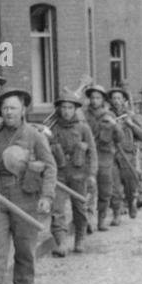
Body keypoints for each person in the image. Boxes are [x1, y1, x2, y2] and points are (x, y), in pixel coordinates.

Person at [0, 82, 56, 284]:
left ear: (23, 110)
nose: (9, 112)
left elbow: (50, 167)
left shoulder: (34, 135)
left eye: (13, 108)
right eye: (5, 108)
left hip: (25, 194)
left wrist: (47, 196)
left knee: (25, 244)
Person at [47, 86, 95, 255]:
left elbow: (92, 153)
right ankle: (61, 242)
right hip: (59, 174)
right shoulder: (52, 128)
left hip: (79, 173)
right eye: (63, 108)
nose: (66, 111)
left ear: (75, 109)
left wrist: (91, 175)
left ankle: (80, 238)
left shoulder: (83, 128)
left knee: (79, 207)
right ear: (59, 109)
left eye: (70, 108)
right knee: (57, 209)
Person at [83, 83, 122, 228]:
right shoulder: (83, 115)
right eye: (92, 98)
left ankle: (102, 218)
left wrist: (115, 125)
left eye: (98, 98)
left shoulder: (109, 115)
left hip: (105, 157)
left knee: (106, 190)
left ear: (103, 100)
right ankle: (87, 219)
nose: (94, 101)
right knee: (89, 189)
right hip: (88, 157)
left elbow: (119, 138)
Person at [109, 86, 142, 217]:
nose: (116, 101)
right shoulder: (107, 115)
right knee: (114, 186)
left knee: (132, 182)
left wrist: (131, 124)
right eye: (113, 98)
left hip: (129, 153)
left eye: (119, 98)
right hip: (112, 153)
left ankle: (138, 199)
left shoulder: (132, 115)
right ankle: (117, 213)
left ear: (124, 100)